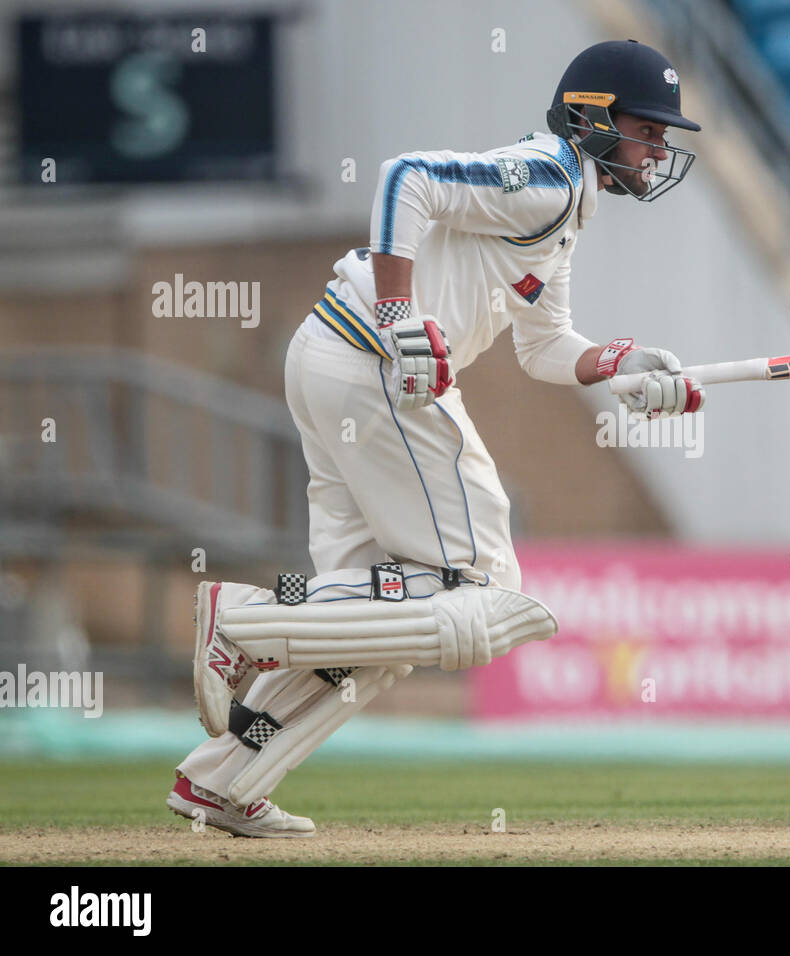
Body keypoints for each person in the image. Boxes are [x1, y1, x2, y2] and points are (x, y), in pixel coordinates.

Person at [165, 40, 706, 837]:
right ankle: (243, 621)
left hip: (338, 359)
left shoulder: (563, 212)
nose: (659, 149)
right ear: (591, 118)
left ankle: (222, 779)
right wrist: (397, 313)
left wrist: (622, 363)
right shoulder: (548, 177)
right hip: (374, 361)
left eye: (664, 135)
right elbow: (405, 179)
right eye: (648, 129)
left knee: (370, 634)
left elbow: (543, 346)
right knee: (475, 583)